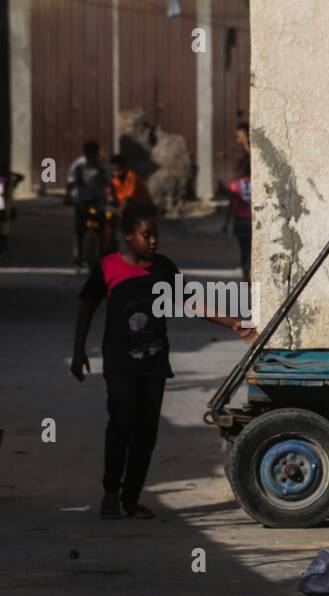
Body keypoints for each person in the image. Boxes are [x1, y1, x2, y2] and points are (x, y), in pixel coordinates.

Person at [71, 201, 256, 519]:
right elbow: (87, 306)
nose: (154, 241)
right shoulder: (107, 267)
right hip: (119, 363)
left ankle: (132, 498)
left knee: (146, 432)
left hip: (154, 364)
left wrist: (232, 323)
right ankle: (111, 493)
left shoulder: (163, 268)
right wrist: (78, 351)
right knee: (119, 426)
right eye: (147, 235)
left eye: (156, 235)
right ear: (129, 236)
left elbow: (190, 301)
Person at [66, 141, 112, 269]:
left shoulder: (103, 166)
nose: (91, 158)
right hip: (81, 199)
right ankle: (79, 256)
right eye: (89, 155)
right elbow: (70, 182)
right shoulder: (78, 165)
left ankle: (102, 253)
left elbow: (110, 182)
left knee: (102, 226)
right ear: (85, 154)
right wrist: (68, 196)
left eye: (94, 155)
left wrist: (112, 196)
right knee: (79, 228)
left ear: (97, 154)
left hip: (98, 199)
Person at [223, 154, 252, 280]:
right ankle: (249, 267)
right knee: (251, 247)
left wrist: (226, 224)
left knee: (243, 247)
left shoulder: (235, 186)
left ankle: (245, 270)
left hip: (240, 221)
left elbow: (232, 205)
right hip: (252, 222)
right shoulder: (257, 184)